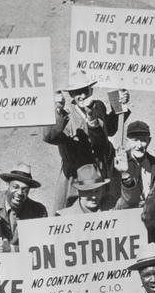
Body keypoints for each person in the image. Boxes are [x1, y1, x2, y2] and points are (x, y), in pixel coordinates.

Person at [43, 70, 128, 210]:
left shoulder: (98, 106)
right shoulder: (66, 114)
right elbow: (49, 136)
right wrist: (58, 110)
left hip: (100, 175)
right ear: (71, 95)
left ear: (91, 90)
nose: (82, 95)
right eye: (77, 92)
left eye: (85, 91)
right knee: (73, 218)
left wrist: (120, 105)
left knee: (106, 215)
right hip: (75, 178)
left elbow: (110, 129)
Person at [116, 120, 155, 208]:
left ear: (149, 140)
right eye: (135, 140)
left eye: (143, 140)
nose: (139, 146)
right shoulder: (120, 162)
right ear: (127, 141)